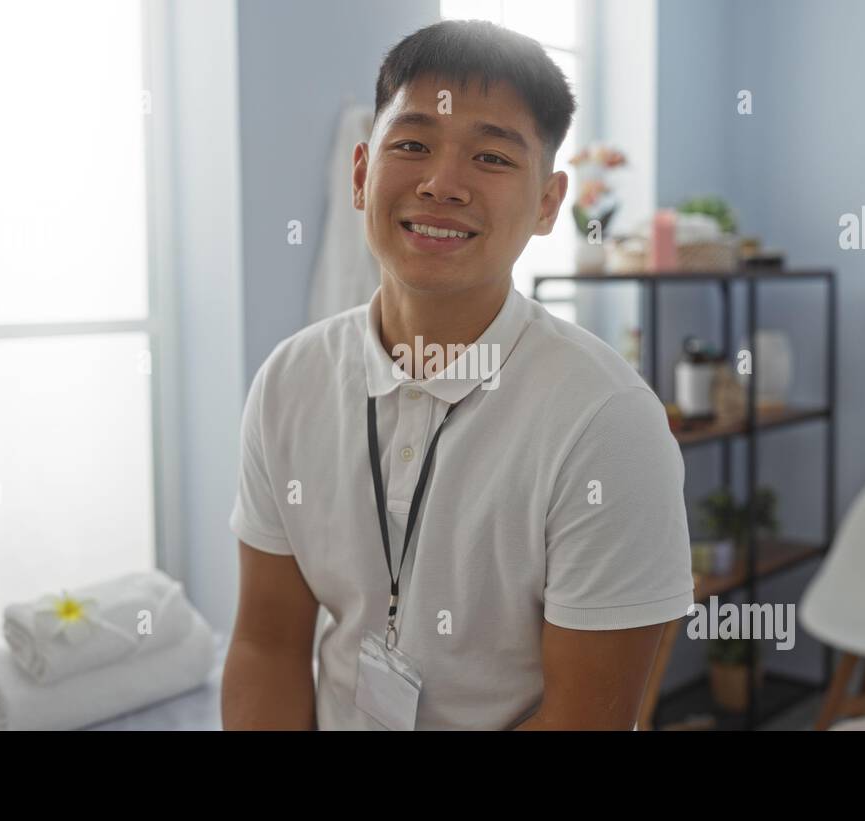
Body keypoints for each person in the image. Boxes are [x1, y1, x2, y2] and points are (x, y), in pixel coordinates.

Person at [221, 19, 692, 731]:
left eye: (493, 158)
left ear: (547, 202)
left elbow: (582, 721)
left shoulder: (607, 421)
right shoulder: (290, 381)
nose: (442, 184)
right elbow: (266, 644)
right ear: (360, 173)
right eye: (411, 145)